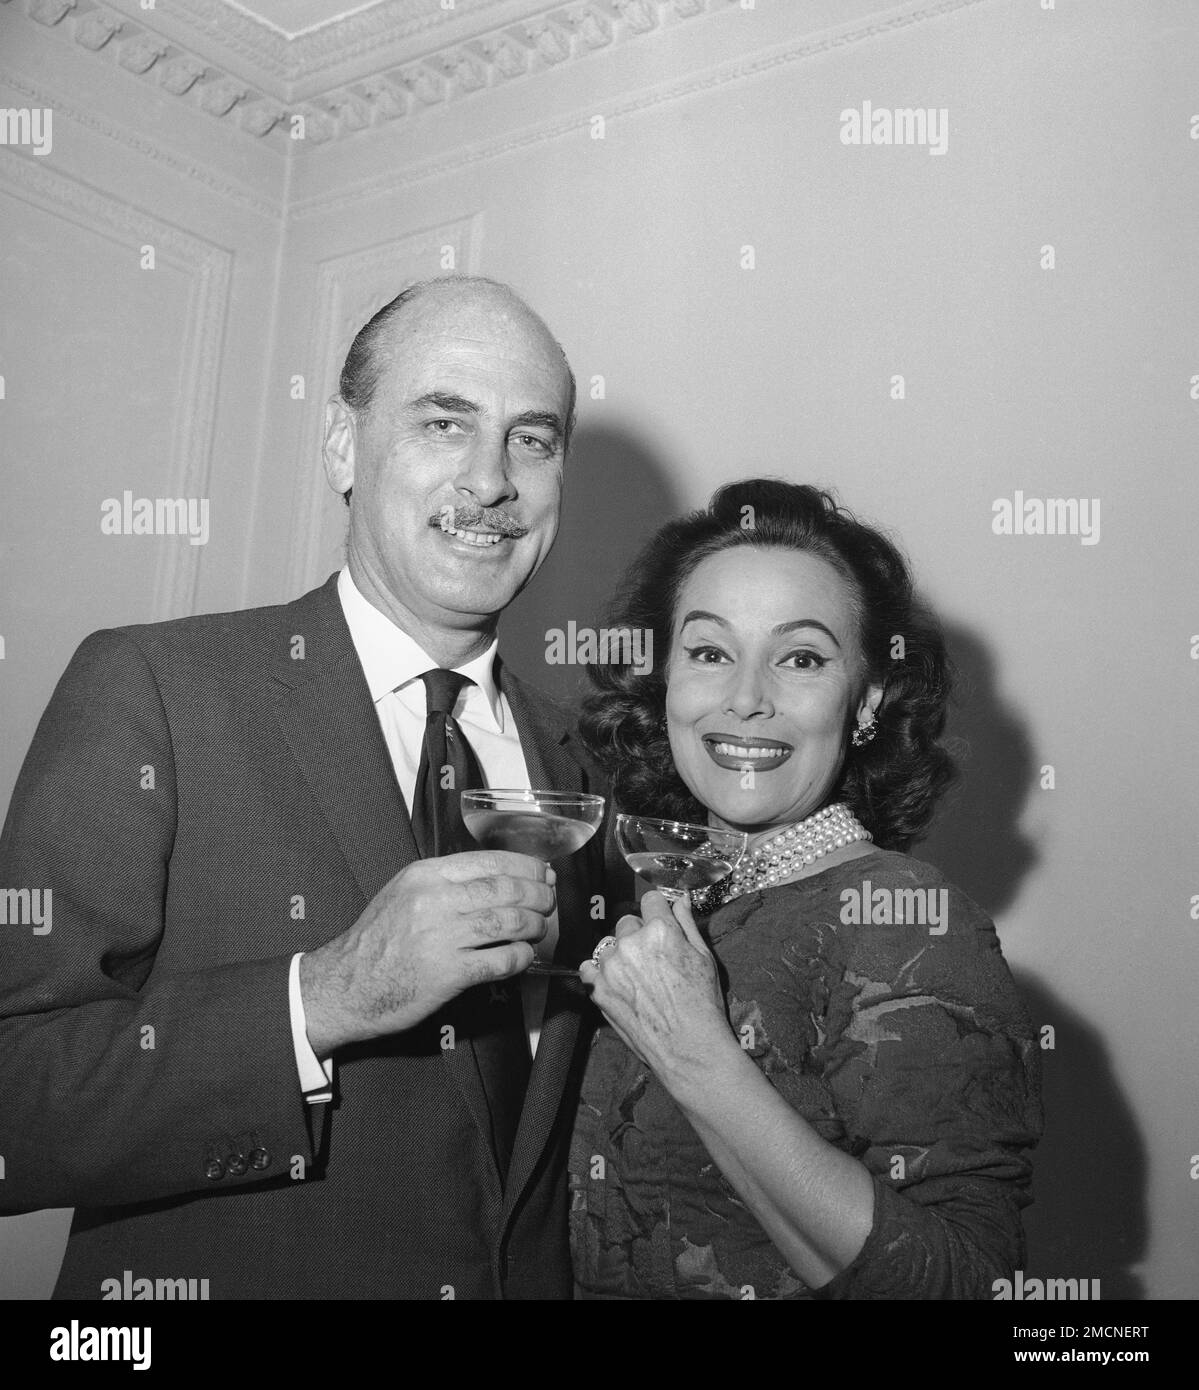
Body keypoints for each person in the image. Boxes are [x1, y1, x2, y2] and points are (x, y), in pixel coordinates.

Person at [0, 275, 625, 1300]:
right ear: (343, 444)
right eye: (442, 421)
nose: (490, 479)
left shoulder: (586, 765)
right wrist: (324, 997)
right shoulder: (157, 690)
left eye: (531, 439)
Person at [570, 479, 1043, 1300]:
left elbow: (966, 1285)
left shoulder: (908, 923)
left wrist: (695, 1054)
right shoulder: (660, 910)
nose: (745, 699)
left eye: (800, 659)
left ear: (864, 701)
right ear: (662, 684)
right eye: (710, 652)